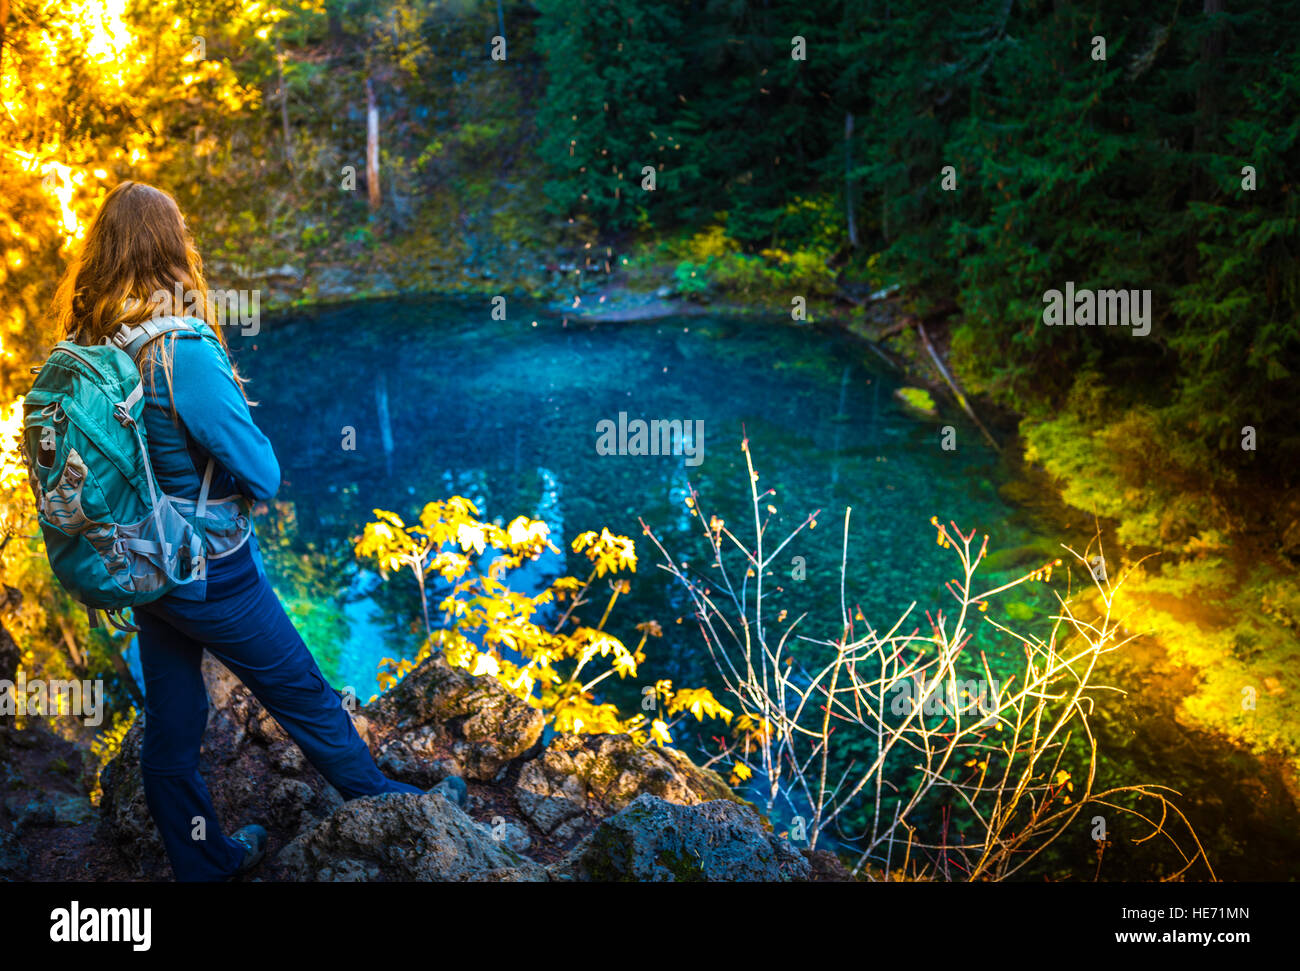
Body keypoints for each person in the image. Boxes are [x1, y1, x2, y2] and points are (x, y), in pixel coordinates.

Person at [49, 180, 456, 881]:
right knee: (302, 691)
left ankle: (202, 863)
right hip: (213, 568)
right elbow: (262, 471)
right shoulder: (181, 349)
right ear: (173, 246)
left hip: (150, 565)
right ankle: (403, 812)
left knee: (175, 723)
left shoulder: (95, 344)